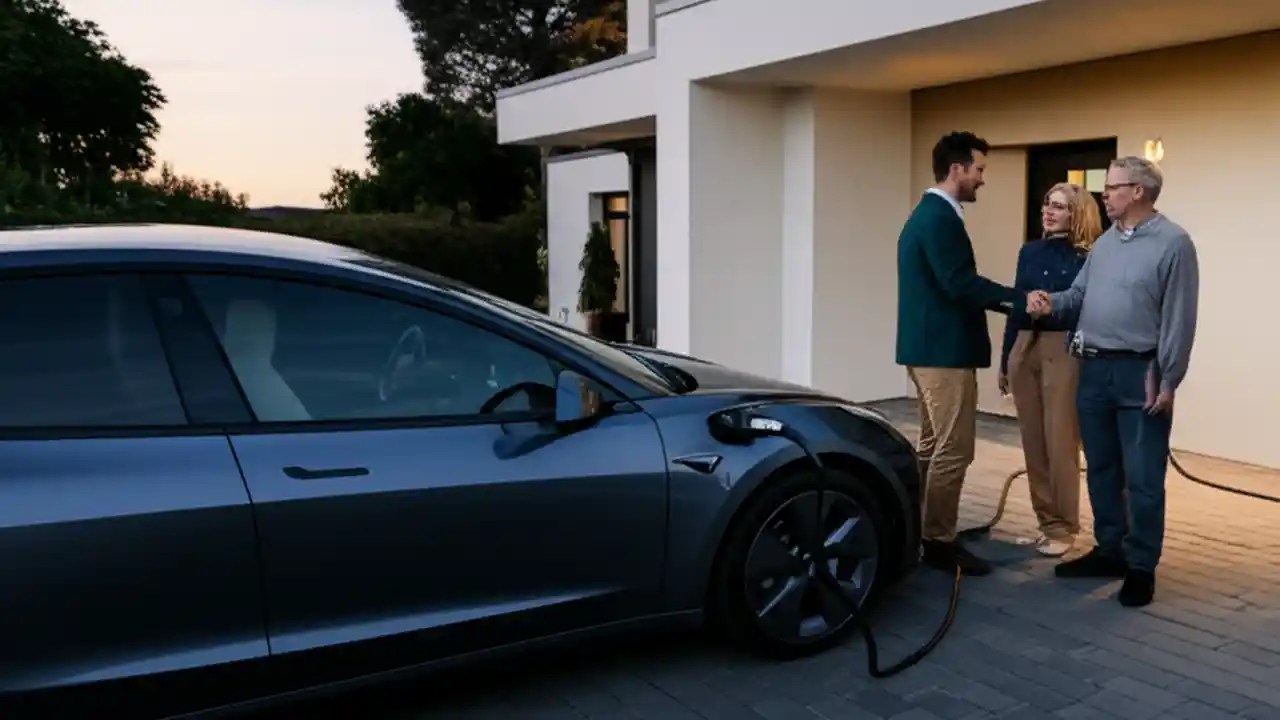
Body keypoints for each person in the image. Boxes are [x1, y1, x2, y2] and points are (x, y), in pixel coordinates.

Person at [1027, 156, 1198, 607]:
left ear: (1138, 191)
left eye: (1114, 186)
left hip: (1141, 372)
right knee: (1102, 469)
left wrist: (1168, 378)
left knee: (1143, 477)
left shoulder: (1174, 244)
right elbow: (1080, 296)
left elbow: (1179, 317)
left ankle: (1141, 566)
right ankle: (1110, 550)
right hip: (1094, 370)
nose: (1105, 193)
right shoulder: (1104, 243)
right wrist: (1052, 304)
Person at [897, 131, 1027, 577]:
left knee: (933, 447)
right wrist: (1021, 298)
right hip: (943, 354)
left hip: (928, 350)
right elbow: (959, 283)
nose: (982, 179)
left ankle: (918, 529)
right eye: (979, 169)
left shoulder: (931, 215)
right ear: (957, 170)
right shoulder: (938, 219)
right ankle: (938, 540)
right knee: (954, 450)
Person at [999, 182, 1102, 557]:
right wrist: (1006, 357)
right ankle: (1047, 523)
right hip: (1025, 345)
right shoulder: (1029, 251)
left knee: (1060, 441)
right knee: (1033, 440)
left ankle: (1065, 527)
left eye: (1058, 206)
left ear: (1077, 214)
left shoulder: (1088, 257)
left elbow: (1084, 306)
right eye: (1047, 203)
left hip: (1063, 348)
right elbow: (1016, 303)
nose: (1048, 210)